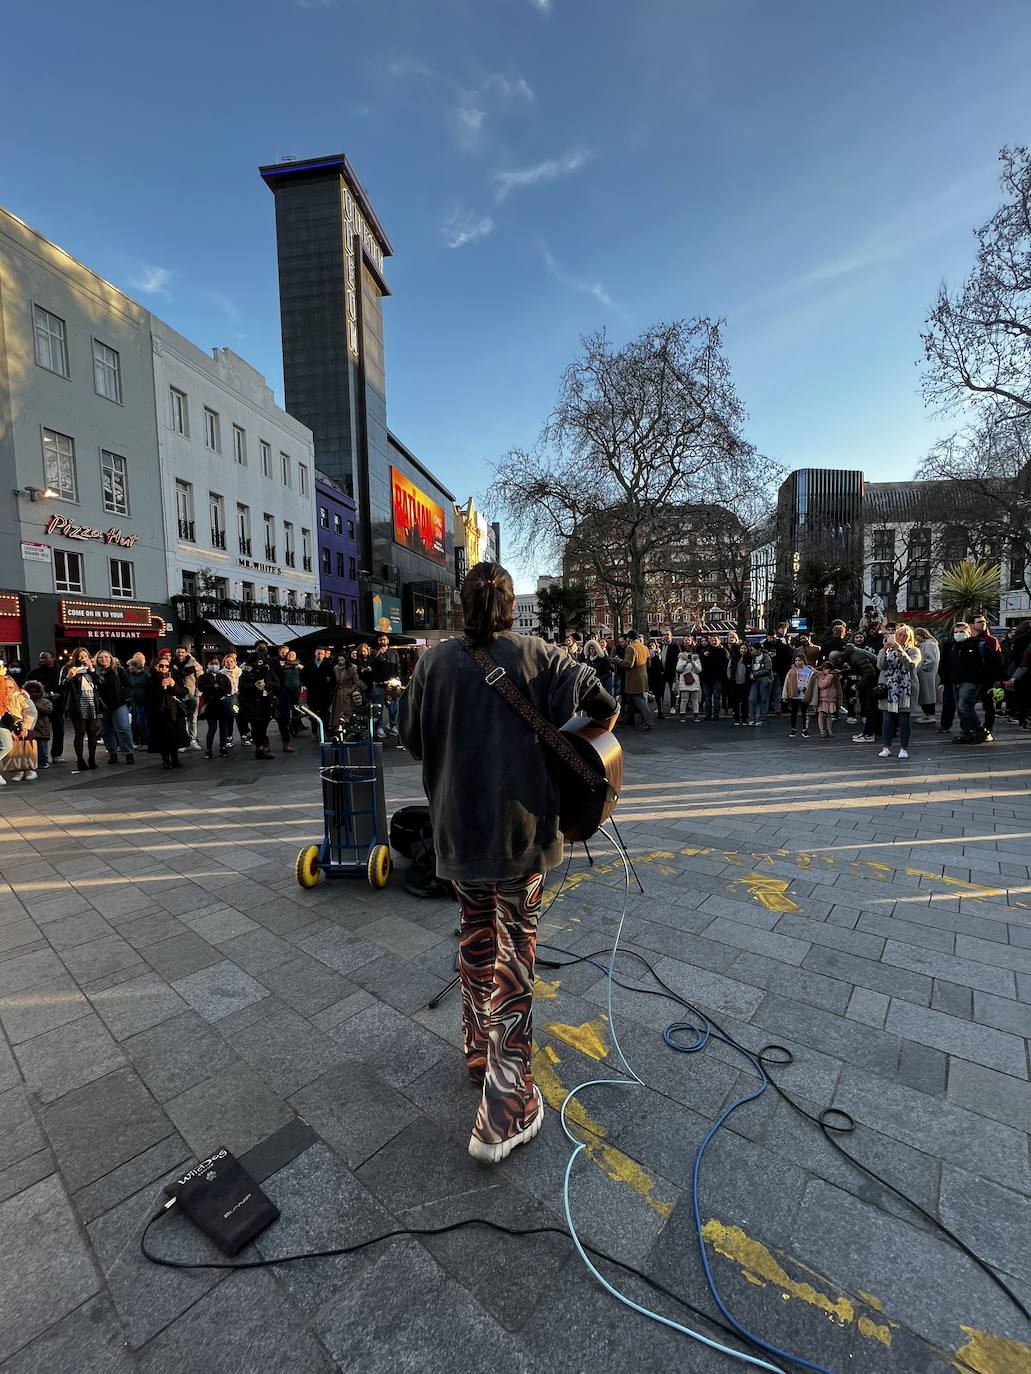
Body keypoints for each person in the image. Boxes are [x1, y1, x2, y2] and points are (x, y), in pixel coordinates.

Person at [398, 561, 617, 1165]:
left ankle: (476, 1047)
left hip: (458, 832)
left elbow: (412, 738)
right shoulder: (542, 656)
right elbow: (605, 702)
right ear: (508, 603)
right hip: (523, 832)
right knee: (516, 949)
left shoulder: (433, 661)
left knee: (474, 932)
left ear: (462, 604)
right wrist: (571, 742)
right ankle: (504, 1102)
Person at [952, 615, 1003, 744]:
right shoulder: (953, 646)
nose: (982, 624)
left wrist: (1002, 679)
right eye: (956, 632)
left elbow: (996, 661)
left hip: (977, 681)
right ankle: (971, 731)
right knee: (964, 706)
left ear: (969, 631)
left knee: (967, 705)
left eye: (961, 632)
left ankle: (981, 730)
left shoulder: (982, 643)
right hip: (960, 681)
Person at [876, 625, 921, 759]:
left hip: (905, 690)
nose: (901, 637)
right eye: (899, 634)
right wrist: (884, 651)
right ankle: (886, 747)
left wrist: (901, 651)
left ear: (910, 638)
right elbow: (880, 666)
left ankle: (904, 748)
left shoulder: (914, 651)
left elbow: (911, 665)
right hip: (888, 689)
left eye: (905, 635)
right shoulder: (886, 650)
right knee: (887, 719)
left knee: (904, 720)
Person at [828, 642, 879, 743]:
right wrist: (843, 672)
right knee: (871, 708)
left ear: (839, 659)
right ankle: (870, 732)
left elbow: (869, 673)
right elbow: (861, 669)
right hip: (874, 680)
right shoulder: (852, 654)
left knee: (870, 708)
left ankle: (869, 734)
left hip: (875, 681)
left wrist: (857, 685)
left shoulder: (856, 656)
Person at [146, 657, 190, 769]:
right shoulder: (151, 679)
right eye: (161, 665)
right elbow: (150, 696)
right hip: (159, 712)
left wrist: (174, 686)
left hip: (174, 710)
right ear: (156, 666)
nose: (164, 668)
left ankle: (175, 759)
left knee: (175, 735)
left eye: (167, 666)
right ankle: (165, 759)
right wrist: (161, 686)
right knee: (163, 736)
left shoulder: (174, 676)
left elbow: (184, 691)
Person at [62, 648, 101, 773]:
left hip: (92, 703)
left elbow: (101, 682)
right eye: (80, 656)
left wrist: (92, 669)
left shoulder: (92, 669)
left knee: (93, 732)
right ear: (75, 657)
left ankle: (92, 758)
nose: (82, 658)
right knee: (80, 732)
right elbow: (63, 688)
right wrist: (69, 677)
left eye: (85, 656)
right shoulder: (69, 669)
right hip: (78, 704)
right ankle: (80, 759)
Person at [94, 650, 134, 764]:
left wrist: (124, 699)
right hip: (103, 705)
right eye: (100, 657)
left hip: (119, 704)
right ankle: (112, 753)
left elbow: (128, 685)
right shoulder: (95, 672)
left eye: (106, 657)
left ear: (111, 658)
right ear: (97, 659)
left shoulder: (119, 670)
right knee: (107, 730)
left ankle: (129, 753)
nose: (104, 659)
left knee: (123, 728)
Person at [240, 652, 278, 759]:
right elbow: (242, 686)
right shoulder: (247, 671)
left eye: (260, 662)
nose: (258, 664)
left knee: (263, 726)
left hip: (266, 702)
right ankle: (259, 749)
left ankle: (262, 747)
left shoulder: (268, 670)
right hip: (252, 703)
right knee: (256, 727)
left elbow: (277, 683)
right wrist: (254, 686)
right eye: (256, 662)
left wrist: (267, 684)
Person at [197, 656, 233, 758]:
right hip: (210, 705)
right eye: (212, 663)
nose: (214, 665)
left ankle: (223, 748)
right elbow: (201, 687)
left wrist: (217, 688)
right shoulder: (203, 677)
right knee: (212, 728)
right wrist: (213, 687)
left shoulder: (223, 677)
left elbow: (228, 689)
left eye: (216, 663)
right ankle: (208, 750)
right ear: (208, 665)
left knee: (223, 728)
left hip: (222, 705)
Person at [2, 683, 37, 781]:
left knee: (27, 748)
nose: (8, 689)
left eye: (10, 687)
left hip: (22, 725)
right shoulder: (2, 698)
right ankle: (19, 770)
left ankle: (30, 770)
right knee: (15, 750)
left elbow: (31, 711)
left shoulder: (20, 696)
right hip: (10, 727)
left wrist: (26, 727)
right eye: (6, 687)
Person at [34, 651, 64, 763]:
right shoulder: (35, 673)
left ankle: (57, 755)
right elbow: (30, 686)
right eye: (41, 658)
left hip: (57, 706)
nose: (42, 660)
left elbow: (65, 686)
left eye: (45, 658)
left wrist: (59, 694)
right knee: (40, 731)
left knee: (59, 730)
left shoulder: (60, 672)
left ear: (53, 658)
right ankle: (41, 757)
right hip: (41, 707)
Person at [0, 661, 27, 784]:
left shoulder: (18, 695)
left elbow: (10, 687)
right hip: (4, 720)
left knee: (9, 746)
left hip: (6, 721)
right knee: (7, 745)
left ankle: (25, 770)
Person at [621, 631, 655, 729]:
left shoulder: (630, 647)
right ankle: (625, 720)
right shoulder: (644, 647)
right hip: (643, 677)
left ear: (629, 638)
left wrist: (617, 660)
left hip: (633, 678)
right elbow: (649, 664)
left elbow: (628, 664)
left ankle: (649, 722)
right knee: (633, 700)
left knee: (639, 700)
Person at [172, 646, 202, 750]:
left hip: (192, 694)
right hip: (179, 694)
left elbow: (200, 678)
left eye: (182, 652)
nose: (180, 654)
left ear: (186, 653)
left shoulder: (193, 663)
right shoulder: (173, 662)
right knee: (182, 719)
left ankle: (193, 739)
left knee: (193, 718)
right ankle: (184, 741)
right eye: (178, 652)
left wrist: (197, 693)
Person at [371, 634, 402, 737]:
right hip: (379, 683)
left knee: (393, 706)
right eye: (380, 640)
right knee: (378, 707)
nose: (382, 641)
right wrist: (377, 655)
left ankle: (392, 726)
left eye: (384, 639)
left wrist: (398, 678)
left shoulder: (393, 652)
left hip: (391, 683)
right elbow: (372, 665)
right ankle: (379, 727)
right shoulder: (374, 652)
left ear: (388, 641)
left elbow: (398, 666)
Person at [301, 647, 334, 736]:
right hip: (313, 692)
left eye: (322, 654)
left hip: (324, 692)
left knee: (325, 713)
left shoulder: (328, 664)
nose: (320, 655)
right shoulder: (309, 665)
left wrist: (329, 680)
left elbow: (333, 677)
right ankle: (314, 732)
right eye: (318, 653)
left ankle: (326, 731)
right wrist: (307, 684)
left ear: (324, 655)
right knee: (313, 713)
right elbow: (302, 676)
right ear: (315, 653)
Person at [24, 679, 52, 769]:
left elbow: (48, 710)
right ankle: (32, 761)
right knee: (30, 747)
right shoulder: (25, 701)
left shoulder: (45, 701)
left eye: (36, 691)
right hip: (30, 728)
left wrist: (34, 707)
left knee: (42, 746)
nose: (33, 693)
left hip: (42, 728)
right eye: (31, 691)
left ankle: (43, 761)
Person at [913, 628, 941, 723]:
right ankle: (927, 714)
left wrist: (923, 667)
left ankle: (930, 715)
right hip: (925, 674)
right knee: (926, 695)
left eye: (917, 635)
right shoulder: (925, 644)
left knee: (928, 694)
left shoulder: (929, 644)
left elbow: (931, 659)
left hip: (927, 674)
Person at [783, 654, 814, 737]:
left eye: (799, 660)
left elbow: (812, 682)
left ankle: (805, 729)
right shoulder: (792, 671)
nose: (797, 662)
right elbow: (787, 683)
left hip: (805, 694)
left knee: (805, 712)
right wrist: (785, 695)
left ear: (803, 660)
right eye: (796, 660)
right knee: (794, 712)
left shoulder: (809, 670)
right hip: (795, 694)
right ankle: (793, 729)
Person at [699, 635, 728, 721]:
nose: (714, 642)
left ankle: (716, 714)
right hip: (706, 678)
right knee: (707, 697)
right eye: (712, 640)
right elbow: (700, 661)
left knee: (716, 697)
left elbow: (725, 663)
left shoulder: (722, 651)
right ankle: (708, 714)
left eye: (715, 640)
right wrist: (703, 655)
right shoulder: (706, 650)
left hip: (717, 678)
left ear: (719, 641)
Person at [746, 641, 774, 726]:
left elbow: (768, 669)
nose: (751, 651)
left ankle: (761, 719)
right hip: (755, 680)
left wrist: (756, 674)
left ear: (759, 650)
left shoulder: (766, 657)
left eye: (753, 650)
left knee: (763, 699)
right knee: (752, 698)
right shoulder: (753, 657)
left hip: (764, 681)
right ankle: (752, 718)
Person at [813, 660, 843, 738]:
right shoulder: (833, 676)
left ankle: (824, 730)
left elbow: (822, 685)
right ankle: (826, 730)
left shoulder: (830, 676)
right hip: (827, 698)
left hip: (826, 698)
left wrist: (820, 679)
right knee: (826, 714)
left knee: (824, 714)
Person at [764, 630, 792, 715]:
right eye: (770, 637)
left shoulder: (781, 646)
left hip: (778, 671)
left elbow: (788, 657)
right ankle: (770, 707)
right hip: (769, 671)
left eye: (772, 637)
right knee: (769, 691)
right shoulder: (765, 646)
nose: (771, 639)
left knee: (776, 690)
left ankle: (776, 708)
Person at [126, 653, 149, 750]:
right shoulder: (130, 675)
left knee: (142, 722)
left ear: (135, 666)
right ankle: (136, 741)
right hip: (133, 702)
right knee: (134, 723)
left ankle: (145, 742)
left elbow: (149, 688)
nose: (129, 667)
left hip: (143, 702)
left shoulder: (146, 675)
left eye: (130, 665)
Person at [675, 642, 702, 720]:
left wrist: (693, 663)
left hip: (694, 680)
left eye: (691, 651)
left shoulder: (696, 658)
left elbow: (699, 670)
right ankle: (682, 715)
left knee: (695, 699)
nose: (689, 653)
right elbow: (678, 669)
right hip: (684, 680)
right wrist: (685, 663)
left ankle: (696, 715)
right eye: (688, 651)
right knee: (684, 699)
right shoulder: (681, 658)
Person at [727, 636, 749, 725]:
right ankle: (736, 718)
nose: (743, 650)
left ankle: (744, 718)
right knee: (736, 702)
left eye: (745, 649)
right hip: (735, 683)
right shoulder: (734, 658)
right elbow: (729, 669)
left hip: (745, 683)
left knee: (744, 702)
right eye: (742, 648)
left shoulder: (749, 659)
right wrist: (730, 678)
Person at [660, 629, 680, 716]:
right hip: (661, 672)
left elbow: (678, 658)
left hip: (671, 672)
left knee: (672, 690)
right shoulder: (660, 646)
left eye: (668, 634)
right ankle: (660, 707)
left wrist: (675, 669)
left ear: (671, 636)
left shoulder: (675, 646)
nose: (666, 636)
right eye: (664, 634)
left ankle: (672, 707)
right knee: (660, 690)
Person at [646, 640, 667, 719]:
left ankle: (660, 711)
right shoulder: (646, 656)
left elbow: (661, 666)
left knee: (659, 695)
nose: (651, 647)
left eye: (653, 646)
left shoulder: (658, 655)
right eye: (649, 646)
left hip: (658, 678)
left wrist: (658, 655)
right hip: (649, 677)